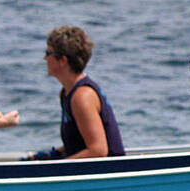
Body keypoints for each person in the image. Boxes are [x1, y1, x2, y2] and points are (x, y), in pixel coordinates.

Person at [25, 26, 124, 160]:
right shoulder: (66, 93)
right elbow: (78, 142)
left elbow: (98, 150)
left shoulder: (82, 97)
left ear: (63, 61)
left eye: (48, 53)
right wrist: (53, 154)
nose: (44, 58)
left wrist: (55, 168)